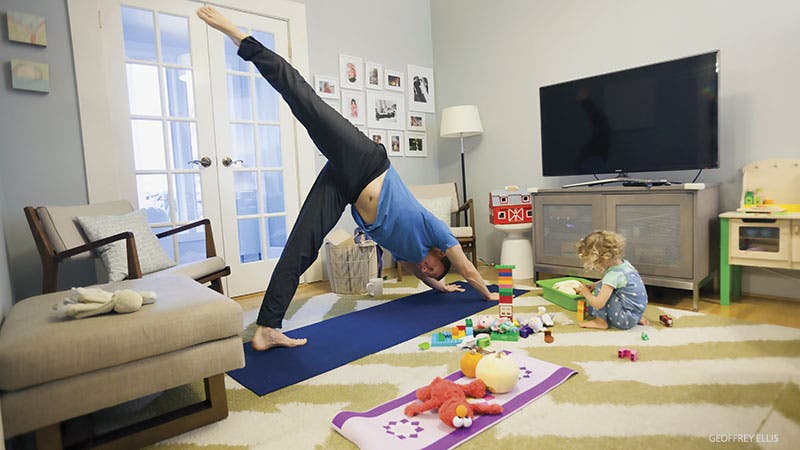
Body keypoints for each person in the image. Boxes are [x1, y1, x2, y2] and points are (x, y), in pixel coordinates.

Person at [197, 6, 498, 351]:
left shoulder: (413, 258)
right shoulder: (436, 233)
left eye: (430, 273)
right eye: (435, 267)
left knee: (302, 244)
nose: (429, 270)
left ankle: (267, 326)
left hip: (346, 184)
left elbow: (426, 276)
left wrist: (441, 287)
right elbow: (468, 268)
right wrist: (488, 294)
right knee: (304, 100)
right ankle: (240, 36)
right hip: (367, 162)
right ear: (439, 253)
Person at [574, 230, 648, 330]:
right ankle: (634, 318)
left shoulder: (612, 276)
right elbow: (616, 284)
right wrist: (593, 285)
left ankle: (600, 322)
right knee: (603, 285)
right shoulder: (624, 265)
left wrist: (586, 293)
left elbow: (599, 303)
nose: (596, 267)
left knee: (601, 288)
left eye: (595, 264)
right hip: (635, 314)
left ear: (602, 259)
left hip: (624, 320)